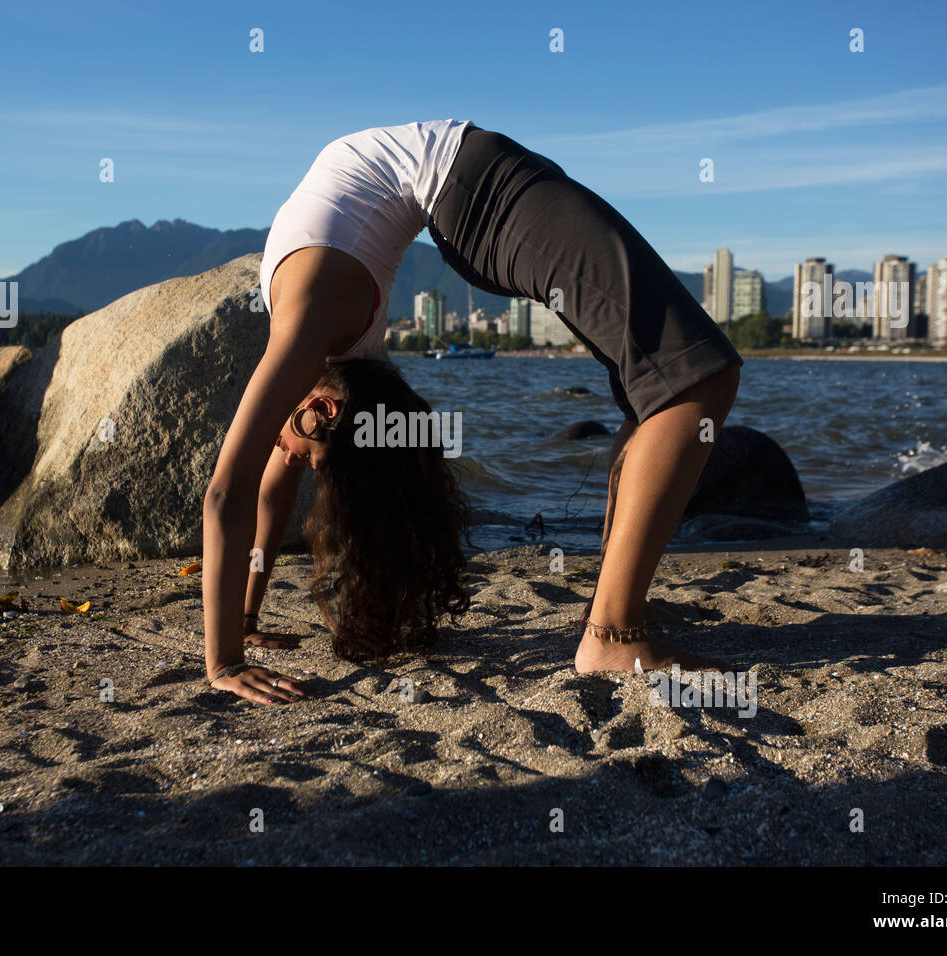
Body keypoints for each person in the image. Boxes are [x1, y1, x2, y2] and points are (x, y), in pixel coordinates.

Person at [202, 119, 742, 706]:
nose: (288, 458)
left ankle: (617, 605)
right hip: (476, 187)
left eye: (298, 454)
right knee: (696, 374)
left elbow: (229, 493)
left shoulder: (306, 335)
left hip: (469, 185)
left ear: (322, 407)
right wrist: (239, 633)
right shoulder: (332, 363)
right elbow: (264, 493)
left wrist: (228, 653)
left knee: (664, 376)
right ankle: (612, 631)